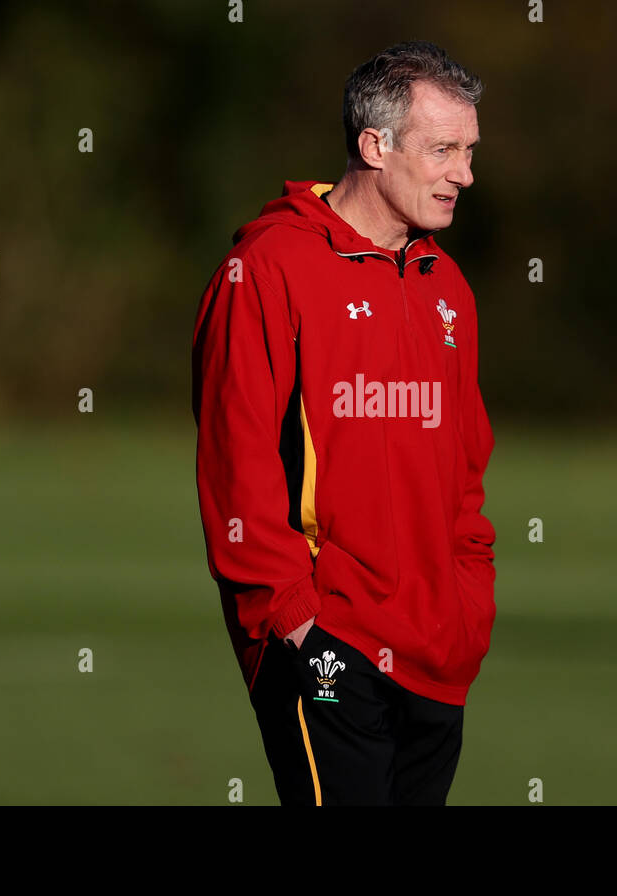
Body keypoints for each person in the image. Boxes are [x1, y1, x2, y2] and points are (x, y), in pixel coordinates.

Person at [191, 40, 495, 806]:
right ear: (375, 145)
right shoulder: (266, 269)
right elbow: (239, 464)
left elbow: (466, 471)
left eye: (469, 151)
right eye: (444, 150)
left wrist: (468, 611)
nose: (464, 172)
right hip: (326, 649)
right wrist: (294, 623)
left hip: (438, 656)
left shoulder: (447, 285)